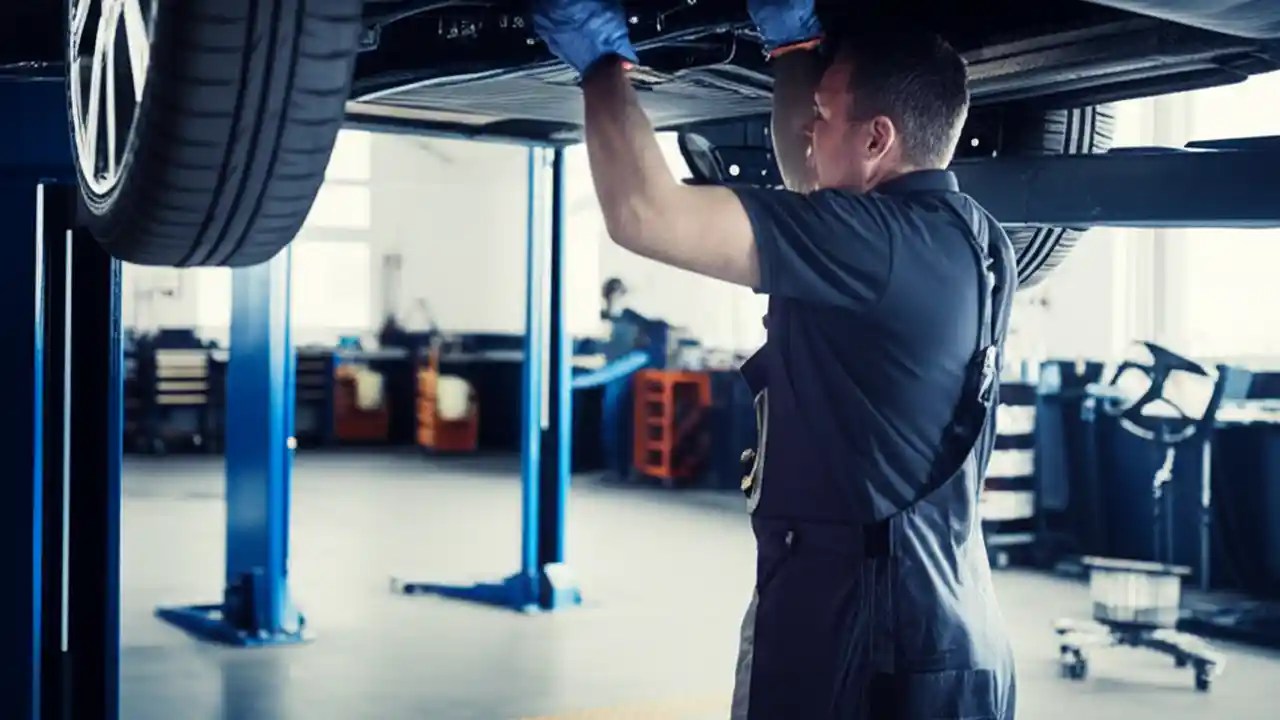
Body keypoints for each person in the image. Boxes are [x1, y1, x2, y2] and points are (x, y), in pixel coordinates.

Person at [531, 0, 1019, 717]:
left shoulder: (873, 244)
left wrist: (603, 66)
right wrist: (795, 53)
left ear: (880, 138)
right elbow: (810, 182)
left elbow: (645, 213)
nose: (806, 129)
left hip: (865, 642)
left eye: (821, 114)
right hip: (942, 624)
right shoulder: (975, 237)